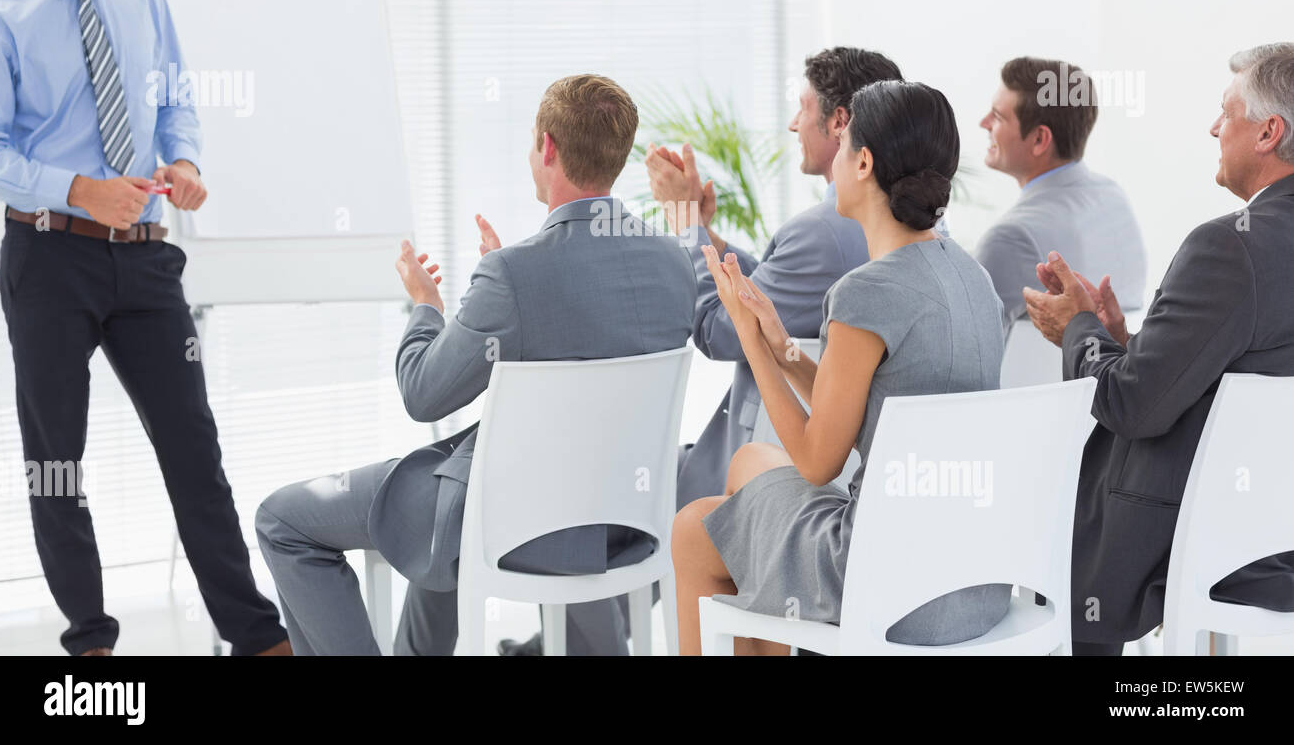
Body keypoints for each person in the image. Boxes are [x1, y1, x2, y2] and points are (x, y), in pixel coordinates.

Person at [254, 74, 697, 655]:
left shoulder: (514, 275)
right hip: (622, 523)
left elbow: (423, 395)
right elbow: (591, 334)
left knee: (283, 520)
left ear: (547, 148)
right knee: (443, 512)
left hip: (520, 524)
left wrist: (428, 307)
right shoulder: (673, 261)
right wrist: (504, 298)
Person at [500, 48, 903, 656]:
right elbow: (772, 282)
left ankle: (573, 646)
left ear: (843, 125)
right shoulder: (892, 233)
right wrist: (704, 235)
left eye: (803, 110)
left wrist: (684, 217)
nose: (794, 125)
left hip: (775, 456)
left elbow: (719, 329)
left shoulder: (821, 233)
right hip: (842, 469)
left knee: (610, 493)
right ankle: (555, 645)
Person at [0, 0, 289, 656]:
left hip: (147, 257)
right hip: (49, 258)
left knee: (194, 445)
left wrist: (185, 161)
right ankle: (90, 641)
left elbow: (175, 103)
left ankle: (255, 636)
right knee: (59, 462)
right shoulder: (4, 12)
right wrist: (78, 188)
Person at [672, 80, 1009, 655]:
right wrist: (783, 347)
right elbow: (876, 399)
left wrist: (750, 339)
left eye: (844, 138)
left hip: (887, 575)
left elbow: (815, 460)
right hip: (974, 576)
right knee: (751, 462)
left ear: (863, 161)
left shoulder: (866, 293)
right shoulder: (972, 278)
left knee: (693, 532)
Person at [1024, 43, 1294, 655]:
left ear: (1269, 132)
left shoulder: (1232, 248)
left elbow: (1132, 406)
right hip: (1276, 538)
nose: (1212, 127)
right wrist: (1122, 341)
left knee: (1017, 508)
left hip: (1186, 544)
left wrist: (1079, 327)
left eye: (1226, 112)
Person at [976, 57, 1146, 332]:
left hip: (1042, 375)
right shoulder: (1113, 197)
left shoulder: (1010, 237)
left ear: (1040, 140)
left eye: (997, 116)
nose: (983, 123)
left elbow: (968, 350)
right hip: (1107, 368)